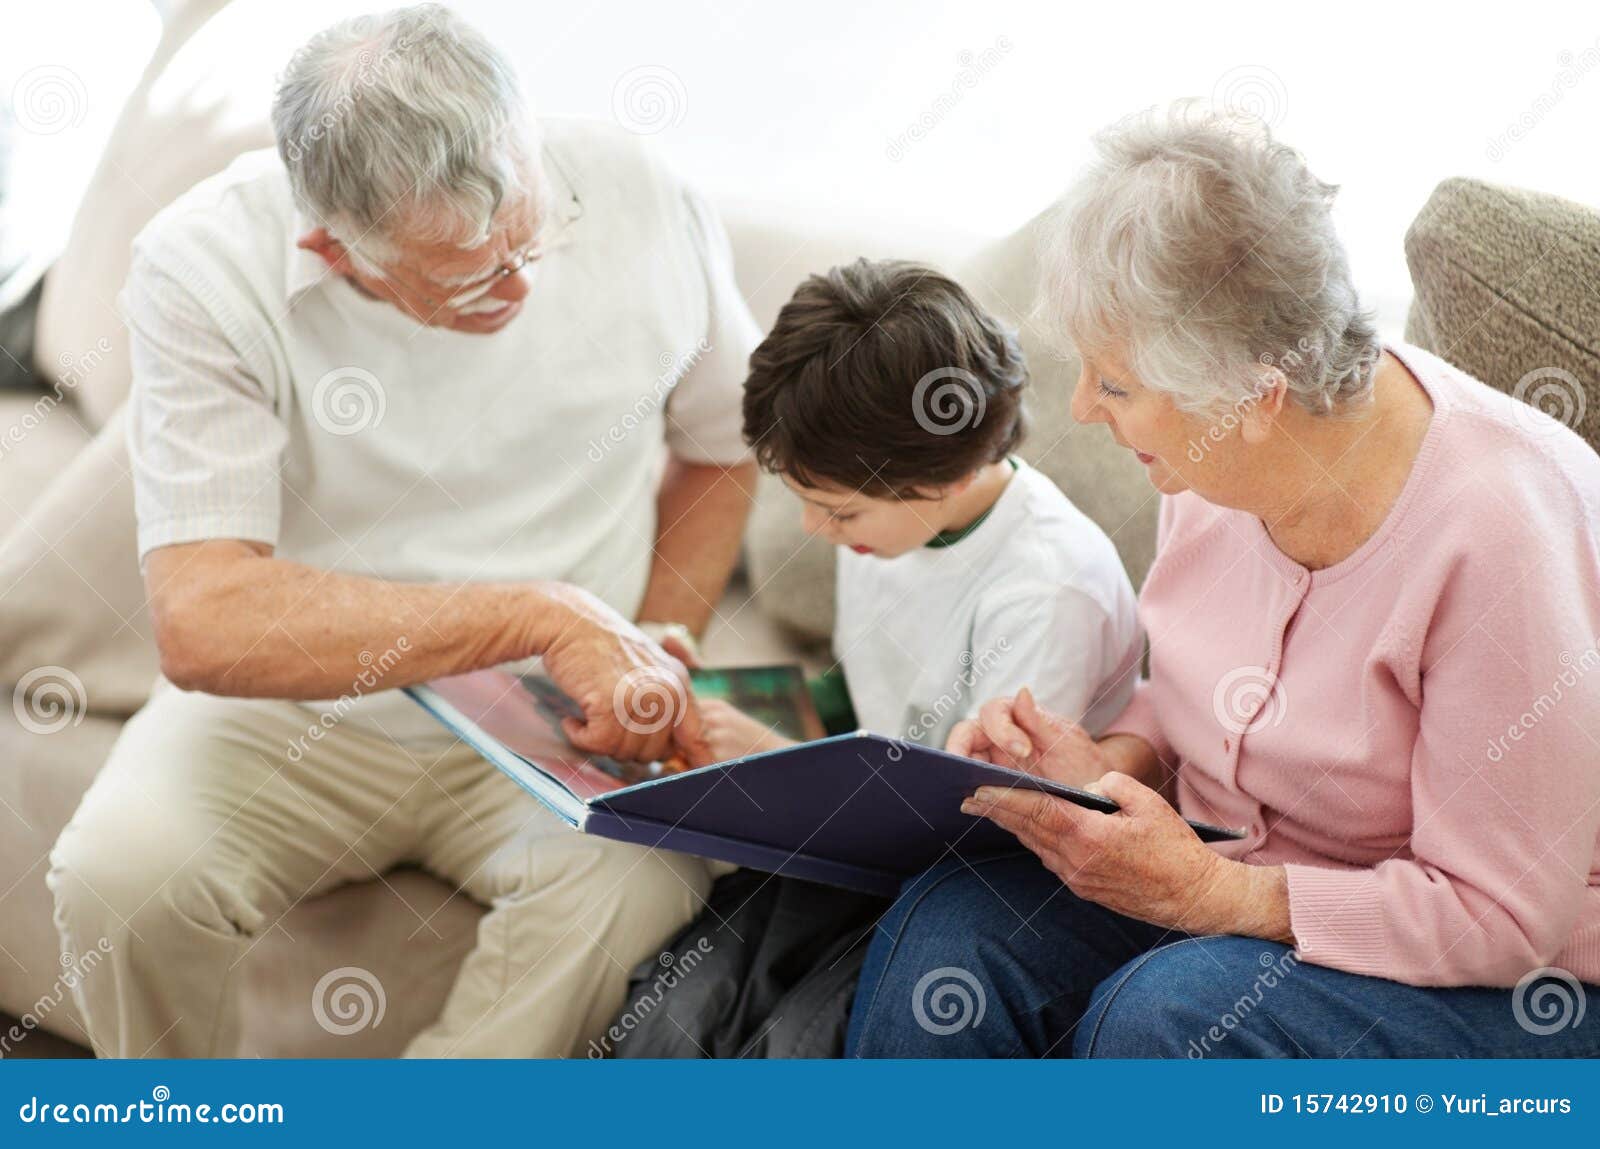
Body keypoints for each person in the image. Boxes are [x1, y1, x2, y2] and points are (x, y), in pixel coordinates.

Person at [49, 4, 759, 1058]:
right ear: (334, 252)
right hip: (296, 710)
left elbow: (723, 446)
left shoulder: (641, 193)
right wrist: (538, 615)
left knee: (638, 887)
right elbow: (204, 618)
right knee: (118, 876)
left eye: (534, 238)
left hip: (555, 722)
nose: (521, 287)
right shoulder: (204, 265)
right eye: (470, 277)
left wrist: (652, 638)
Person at [846, 103, 1600, 1058]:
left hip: (1502, 970)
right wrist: (1106, 767)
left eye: (1115, 385)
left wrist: (1217, 894)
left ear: (1254, 397)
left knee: (1167, 1020)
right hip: (1236, 879)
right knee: (951, 925)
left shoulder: (1501, 531)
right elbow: (1206, 711)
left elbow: (1500, 915)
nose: (1081, 408)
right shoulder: (1214, 465)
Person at [699, 258, 1142, 762]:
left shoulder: (1047, 595)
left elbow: (987, 799)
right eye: (804, 500)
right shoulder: (882, 529)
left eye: (841, 513)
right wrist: (707, 702)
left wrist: (771, 755)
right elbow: (876, 700)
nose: (814, 527)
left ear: (951, 478)